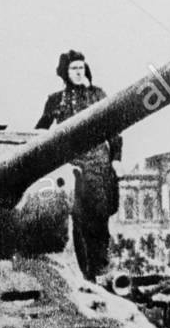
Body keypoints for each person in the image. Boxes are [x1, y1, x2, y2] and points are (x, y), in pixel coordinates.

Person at [36, 50, 122, 280]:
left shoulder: (98, 95)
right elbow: (41, 130)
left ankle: (102, 268)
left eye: (81, 68)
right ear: (65, 72)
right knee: (78, 219)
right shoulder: (56, 100)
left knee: (100, 218)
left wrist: (116, 159)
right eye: (73, 68)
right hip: (72, 163)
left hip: (98, 162)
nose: (78, 72)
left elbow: (113, 128)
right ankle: (87, 274)